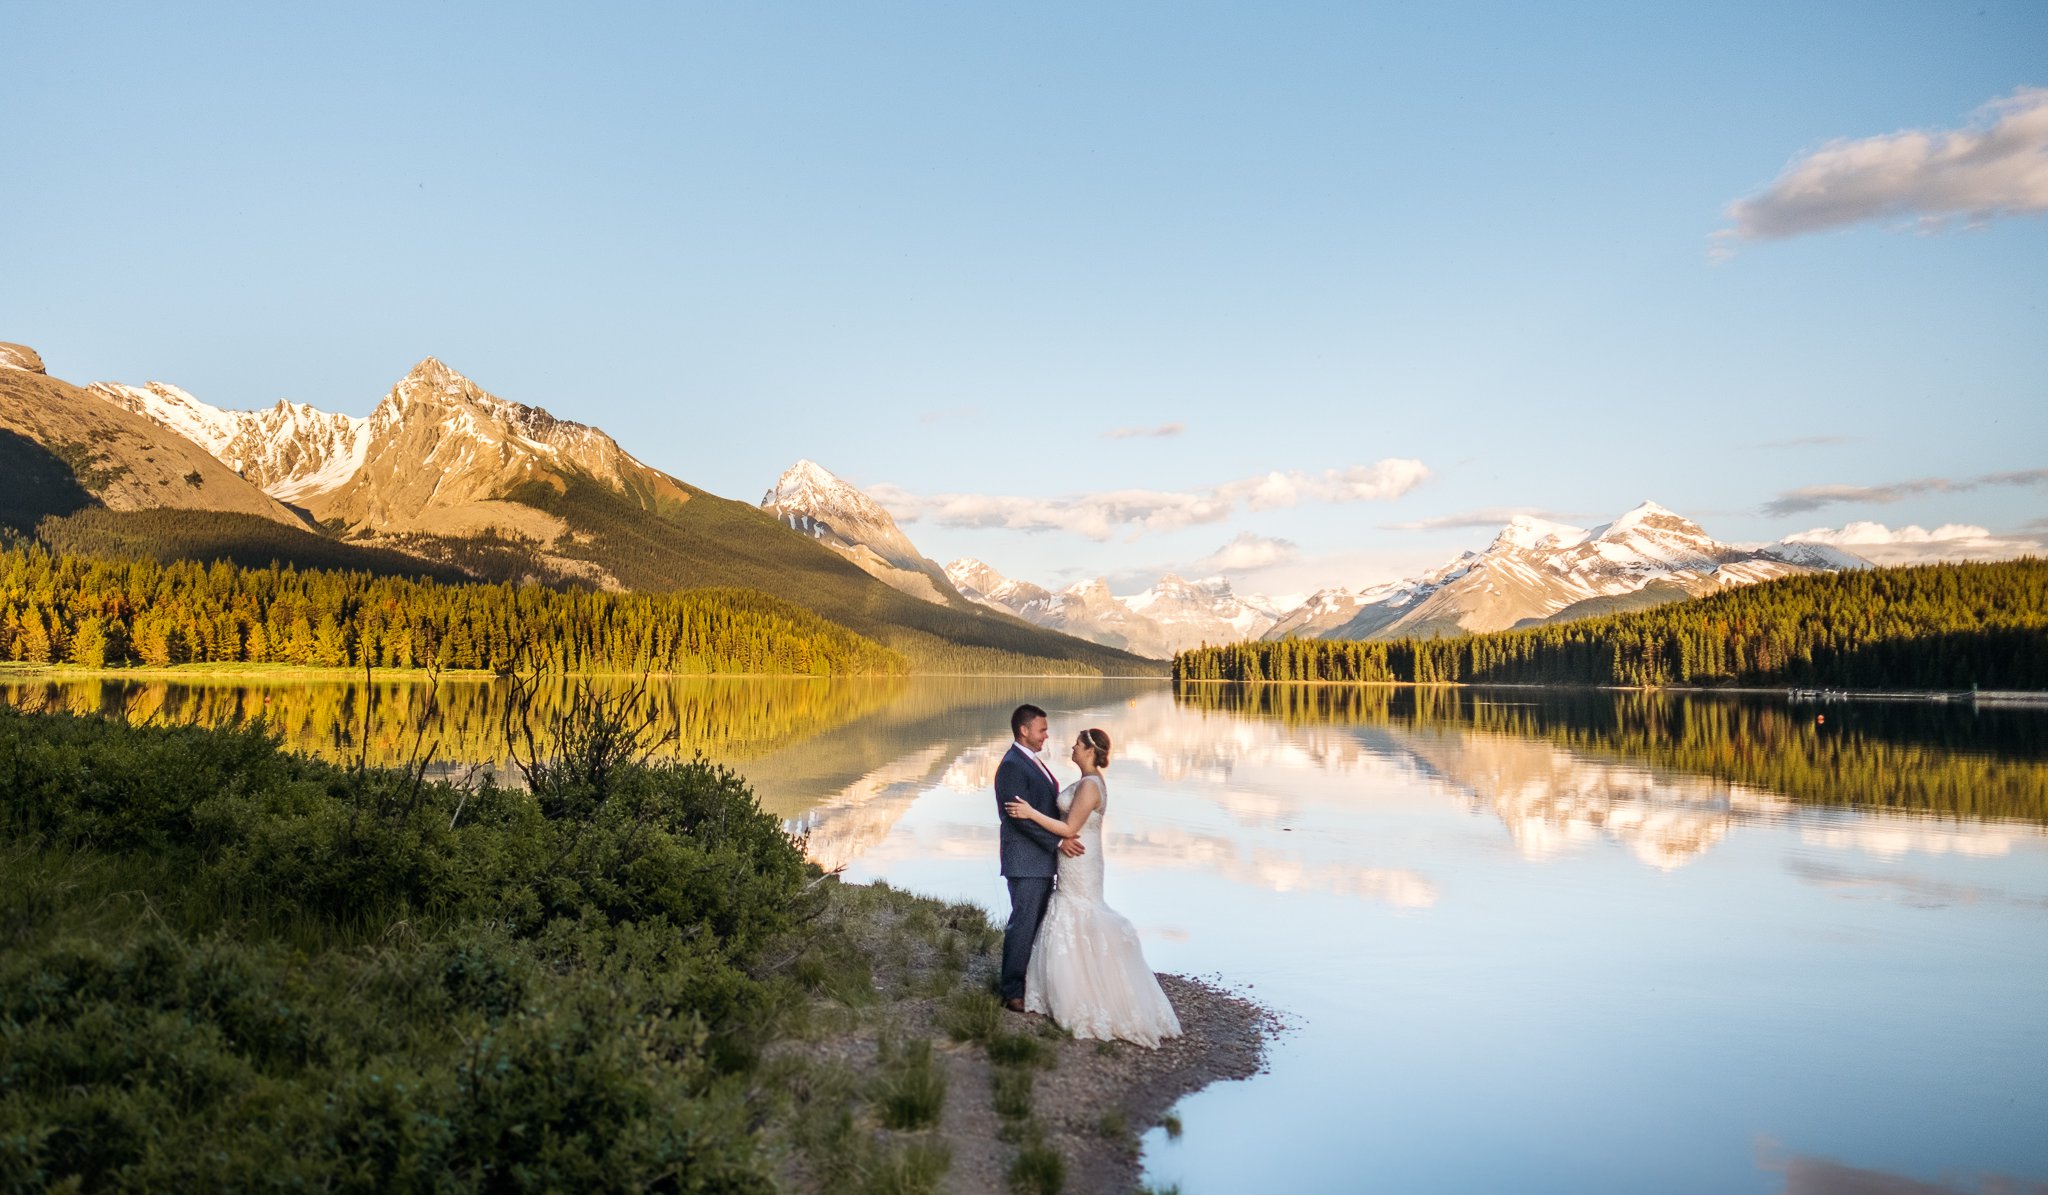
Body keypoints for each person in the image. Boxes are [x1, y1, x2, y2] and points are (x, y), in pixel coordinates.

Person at [1004, 727, 1182, 1047]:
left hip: (1080, 859)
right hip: (1076, 857)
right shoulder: (1090, 781)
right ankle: (1063, 988)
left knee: (1079, 912)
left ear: (1089, 751)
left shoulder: (1090, 786)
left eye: (1077, 744)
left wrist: (1030, 813)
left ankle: (1086, 993)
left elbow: (1071, 827)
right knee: (1069, 913)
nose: (1072, 747)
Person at [994, 703, 1084, 1014]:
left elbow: (1040, 809)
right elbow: (1019, 819)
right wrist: (1059, 840)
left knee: (1035, 924)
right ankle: (1012, 990)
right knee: (1023, 924)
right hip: (1025, 861)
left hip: (1038, 860)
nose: (1046, 735)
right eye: (1042, 729)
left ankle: (1029, 983)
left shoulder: (1029, 762)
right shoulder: (1012, 766)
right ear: (1024, 730)